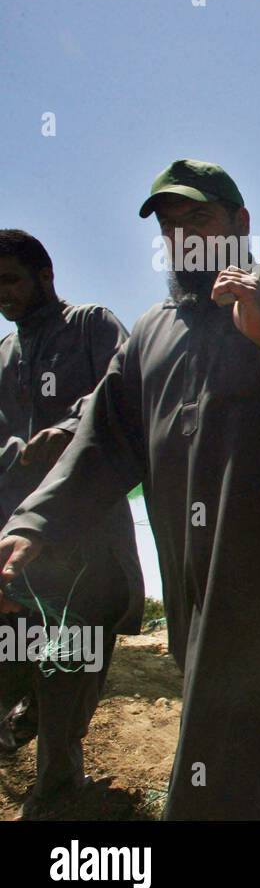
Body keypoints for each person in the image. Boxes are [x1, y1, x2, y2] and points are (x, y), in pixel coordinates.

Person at [0, 160, 260, 819]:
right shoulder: (150, 335)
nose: (182, 234)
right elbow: (97, 447)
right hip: (193, 593)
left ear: (241, 223)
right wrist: (31, 525)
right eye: (170, 224)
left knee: (217, 781)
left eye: (198, 217)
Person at [0, 230, 144, 818]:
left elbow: (128, 387)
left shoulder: (91, 324)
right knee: (18, 662)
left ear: (45, 275)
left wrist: (73, 426)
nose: (1, 294)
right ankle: (55, 792)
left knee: (73, 666)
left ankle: (56, 791)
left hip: (86, 542)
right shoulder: (7, 355)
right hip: (21, 548)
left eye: (9, 279)